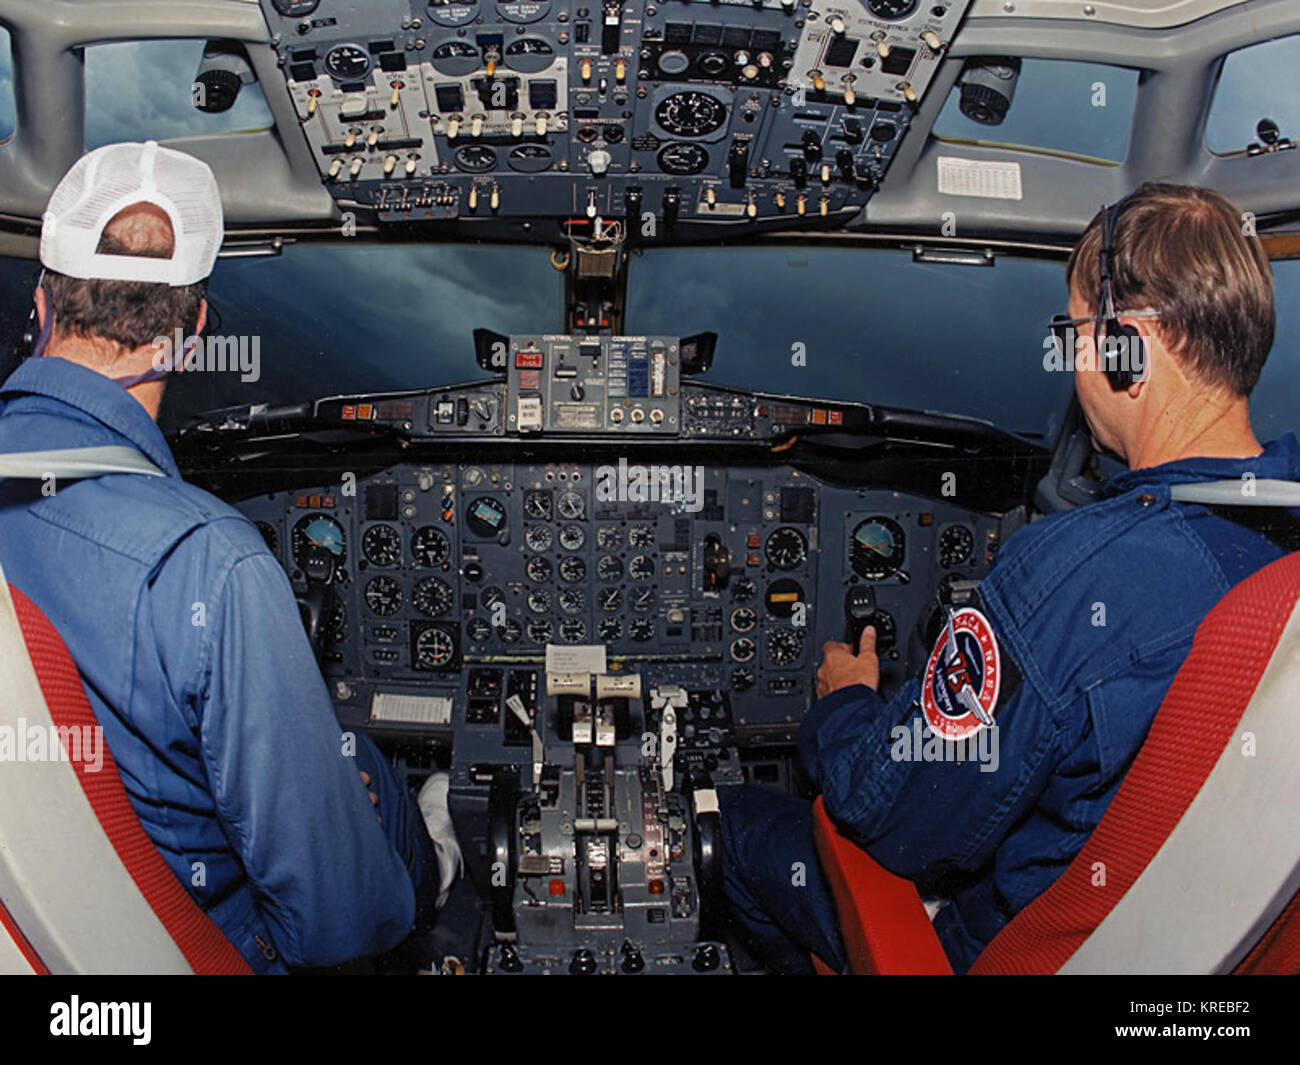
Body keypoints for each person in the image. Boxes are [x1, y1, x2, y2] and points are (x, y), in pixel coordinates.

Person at [719, 182, 1300, 974]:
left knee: (742, 824)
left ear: (1123, 346)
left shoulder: (1073, 578)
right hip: (1179, 940)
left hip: (993, 941)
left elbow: (885, 814)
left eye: (1073, 335)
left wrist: (847, 700)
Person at [0, 141, 459, 973]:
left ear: (40, 301)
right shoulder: (207, 562)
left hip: (52, 920)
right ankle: (442, 860)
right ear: (192, 329)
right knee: (358, 775)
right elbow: (335, 926)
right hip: (187, 938)